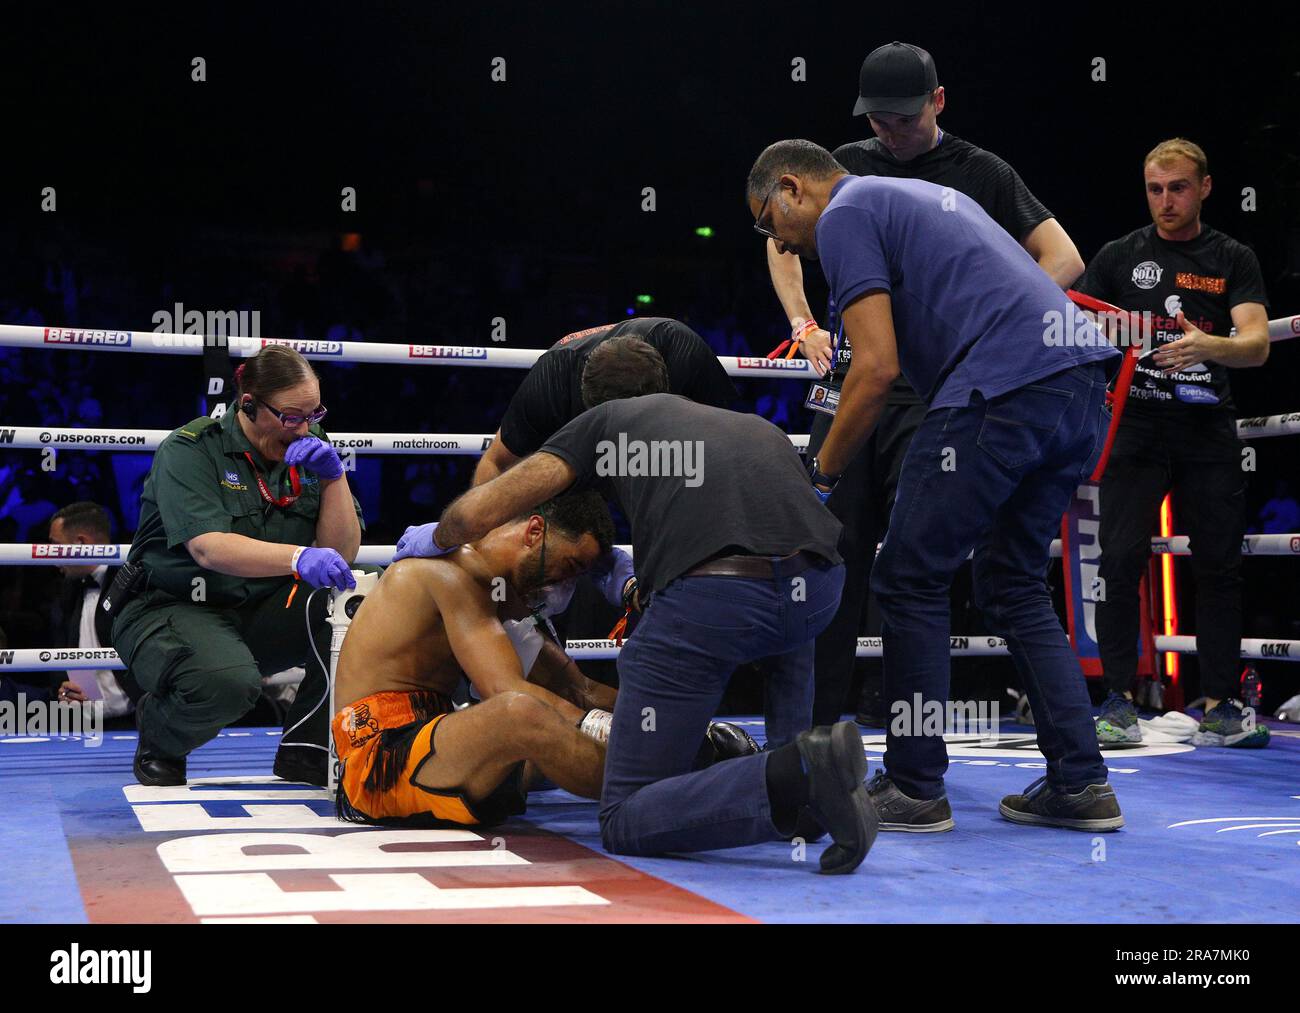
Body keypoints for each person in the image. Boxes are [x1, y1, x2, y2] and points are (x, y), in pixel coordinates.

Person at [748, 139, 1123, 832]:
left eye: (770, 221)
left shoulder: (847, 213)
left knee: (908, 575)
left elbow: (875, 368)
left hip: (1003, 388)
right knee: (1011, 582)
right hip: (1078, 391)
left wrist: (820, 474)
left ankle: (917, 784)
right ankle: (1081, 781)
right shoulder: (909, 202)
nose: (777, 239)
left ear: (794, 187)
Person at [412, 389, 876, 875]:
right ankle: (805, 786)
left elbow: (473, 515)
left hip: (720, 595)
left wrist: (437, 539)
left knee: (626, 815)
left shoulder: (604, 421)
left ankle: (803, 771)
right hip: (820, 592)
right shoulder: (753, 426)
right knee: (783, 624)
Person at [764, 42, 1086, 727]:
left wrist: (996, 320)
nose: (889, 130)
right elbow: (780, 235)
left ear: (938, 102)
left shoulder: (975, 173)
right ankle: (818, 730)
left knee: (912, 566)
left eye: (902, 118)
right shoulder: (841, 174)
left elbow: (1065, 258)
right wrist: (801, 320)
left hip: (949, 385)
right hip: (892, 378)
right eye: (877, 118)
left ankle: (911, 756)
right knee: (840, 549)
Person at [333, 492, 758, 827]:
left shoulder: (501, 595)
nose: (567, 582)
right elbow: (507, 693)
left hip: (436, 748)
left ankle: (694, 760)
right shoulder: (449, 574)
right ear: (535, 531)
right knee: (520, 714)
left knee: (546, 720)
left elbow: (578, 688)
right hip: (379, 762)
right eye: (570, 564)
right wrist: (623, 735)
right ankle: (693, 782)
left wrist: (677, 722)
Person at [1075, 138, 1271, 748]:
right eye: (1155, 188)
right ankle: (1115, 700)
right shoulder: (1117, 256)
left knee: (1219, 563)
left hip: (1207, 425)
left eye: (1178, 187)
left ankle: (1219, 702)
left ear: (1205, 187)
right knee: (1119, 558)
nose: (1166, 200)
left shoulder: (1232, 257)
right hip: (1135, 425)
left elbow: (1258, 344)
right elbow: (1072, 325)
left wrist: (1211, 346)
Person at [112, 345, 364, 787]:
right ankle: (161, 733)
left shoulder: (312, 447)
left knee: (358, 604)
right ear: (248, 403)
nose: (304, 428)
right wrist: (298, 557)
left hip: (258, 608)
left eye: (314, 414)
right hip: (171, 607)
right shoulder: (189, 449)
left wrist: (334, 477)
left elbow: (340, 556)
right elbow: (209, 549)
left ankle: (307, 749)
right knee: (229, 684)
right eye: (291, 416)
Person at [474, 317, 736, 487]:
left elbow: (735, 444)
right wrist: (484, 548)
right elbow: (495, 462)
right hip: (579, 463)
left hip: (674, 452)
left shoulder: (682, 353)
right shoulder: (553, 381)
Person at [48, 501, 133, 722]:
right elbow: (61, 652)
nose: (52, 557)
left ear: (81, 543)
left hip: (140, 723)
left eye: (56, 546)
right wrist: (63, 688)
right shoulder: (69, 590)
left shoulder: (133, 582)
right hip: (87, 725)